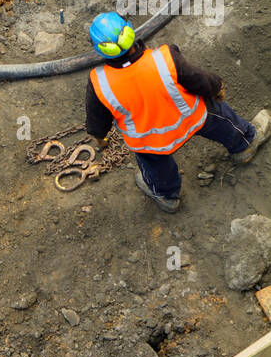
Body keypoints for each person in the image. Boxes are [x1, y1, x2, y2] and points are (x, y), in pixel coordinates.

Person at [85, 12, 270, 212]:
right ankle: (244, 144)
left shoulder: (99, 82)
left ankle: (166, 195)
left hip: (149, 141)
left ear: (99, 50)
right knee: (217, 114)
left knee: (154, 165)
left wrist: (99, 138)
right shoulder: (164, 57)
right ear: (129, 29)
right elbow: (198, 80)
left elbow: (97, 120)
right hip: (190, 119)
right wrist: (217, 86)